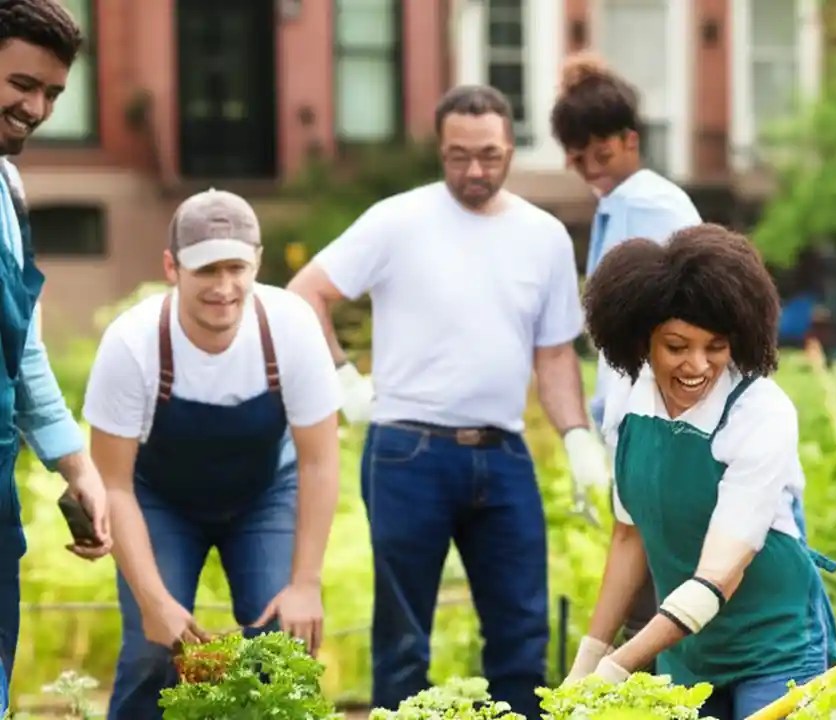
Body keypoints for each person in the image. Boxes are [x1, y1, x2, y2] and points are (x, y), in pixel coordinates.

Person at [287, 84, 610, 716]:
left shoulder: (543, 237)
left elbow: (553, 356)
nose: (474, 171)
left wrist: (576, 438)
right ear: (440, 150)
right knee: (404, 639)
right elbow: (306, 292)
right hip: (408, 451)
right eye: (458, 156)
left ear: (512, 148)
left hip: (503, 453)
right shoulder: (398, 220)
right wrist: (345, 378)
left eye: (489, 155)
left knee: (522, 633)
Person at [563, 224, 836, 720]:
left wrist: (617, 669)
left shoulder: (758, 411)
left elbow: (719, 576)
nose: (698, 365)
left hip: (774, 646)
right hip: (686, 648)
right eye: (677, 346)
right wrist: (585, 663)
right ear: (641, 340)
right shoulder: (629, 403)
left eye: (716, 346)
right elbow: (630, 537)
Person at [84, 189, 341, 719]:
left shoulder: (291, 327)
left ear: (258, 262)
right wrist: (155, 604)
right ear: (171, 267)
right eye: (205, 270)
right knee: (153, 654)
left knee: (281, 645)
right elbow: (115, 485)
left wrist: (306, 584)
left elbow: (319, 461)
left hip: (265, 495)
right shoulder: (132, 344)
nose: (223, 288)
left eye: (236, 268)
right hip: (159, 503)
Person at [549, 51, 702, 665]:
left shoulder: (654, 207)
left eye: (603, 156)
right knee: (645, 598)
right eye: (580, 161)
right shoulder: (618, 208)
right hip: (636, 428)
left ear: (631, 140)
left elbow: (683, 328)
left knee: (657, 605)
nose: (594, 171)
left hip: (669, 426)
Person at [0, 2, 114, 712]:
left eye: (53, 94)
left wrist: (76, 463)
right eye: (21, 84)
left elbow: (22, 346)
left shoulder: (8, 190)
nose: (36, 108)